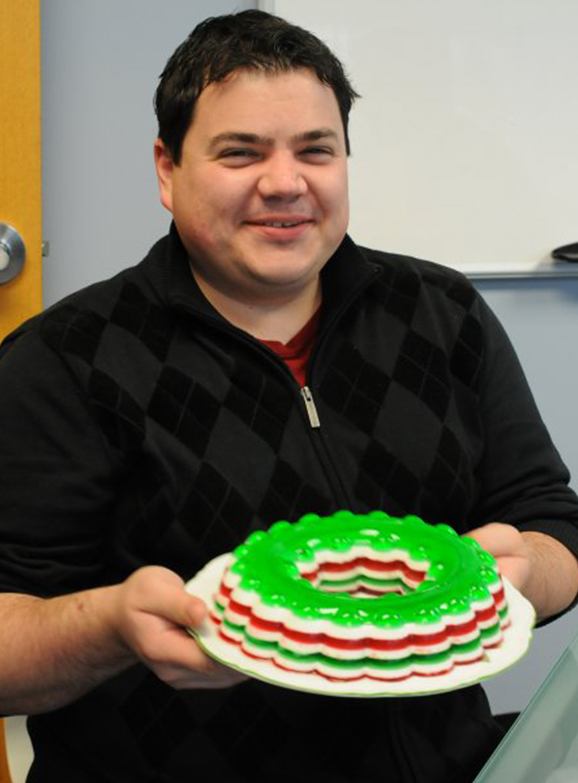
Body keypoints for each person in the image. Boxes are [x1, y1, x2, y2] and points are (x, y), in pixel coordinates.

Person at [1, 9, 577, 782]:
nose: (285, 183)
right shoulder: (64, 362)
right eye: (241, 153)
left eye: (317, 150)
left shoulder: (443, 313)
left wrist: (529, 574)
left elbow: (552, 522)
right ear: (167, 170)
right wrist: (108, 628)